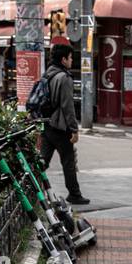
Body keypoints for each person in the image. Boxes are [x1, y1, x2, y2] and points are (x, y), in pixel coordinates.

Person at [37, 43, 89, 205]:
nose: (72, 60)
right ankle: (74, 193)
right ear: (63, 59)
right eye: (70, 57)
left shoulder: (47, 75)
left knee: (42, 161)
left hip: (46, 125)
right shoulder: (64, 78)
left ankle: (29, 188)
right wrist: (74, 129)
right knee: (68, 161)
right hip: (60, 126)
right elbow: (68, 106)